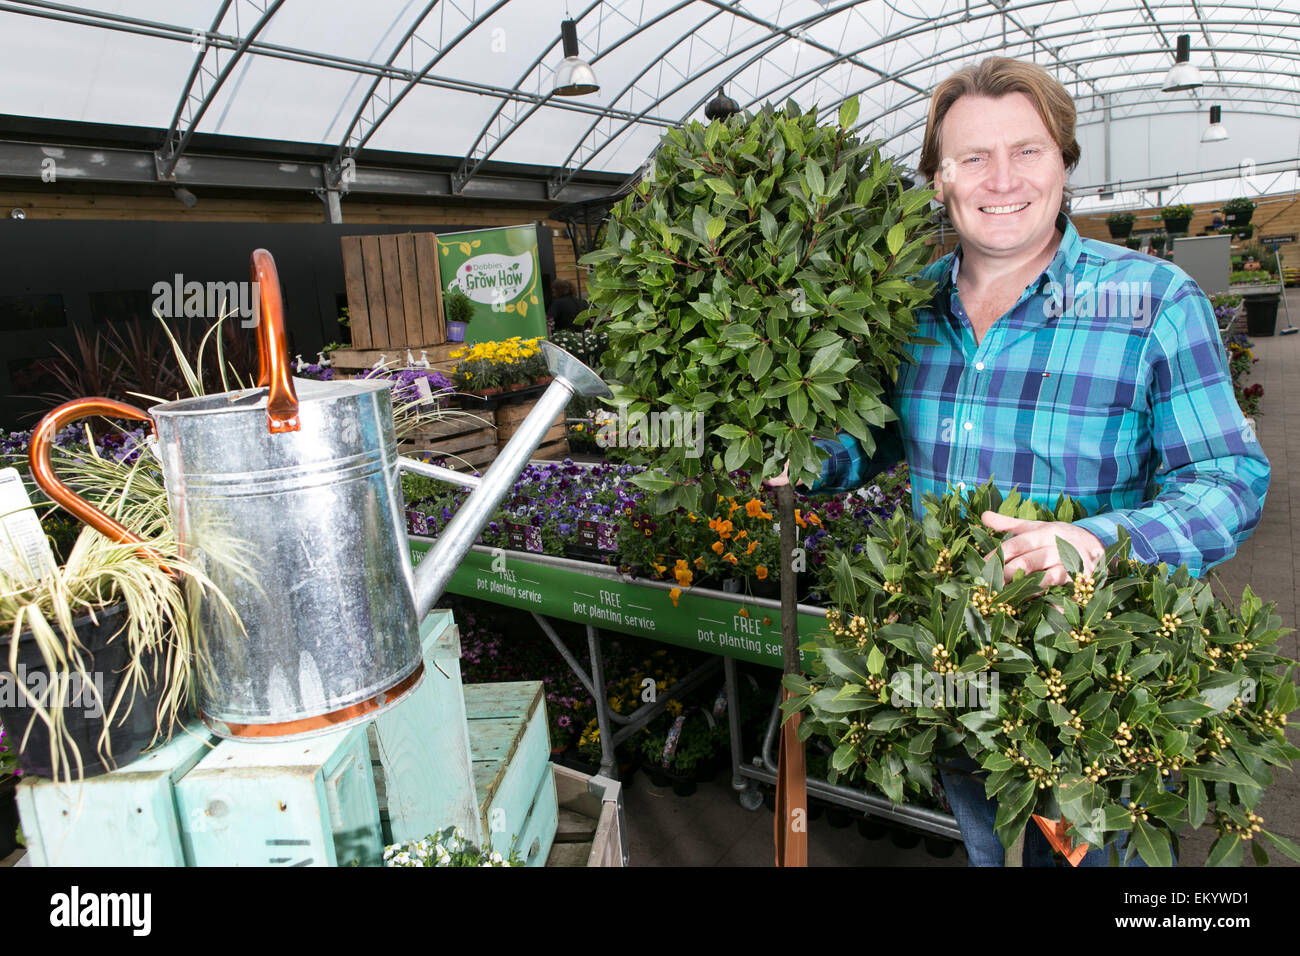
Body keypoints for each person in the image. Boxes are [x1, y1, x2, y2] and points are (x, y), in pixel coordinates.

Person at [781, 57, 1270, 865]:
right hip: (956, 680)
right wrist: (798, 460)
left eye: (1028, 151)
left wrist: (1100, 544)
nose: (1001, 179)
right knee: (990, 850)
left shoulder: (1153, 302)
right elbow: (877, 439)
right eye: (972, 157)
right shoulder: (905, 311)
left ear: (1065, 165)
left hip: (1095, 691)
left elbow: (1229, 479)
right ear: (938, 180)